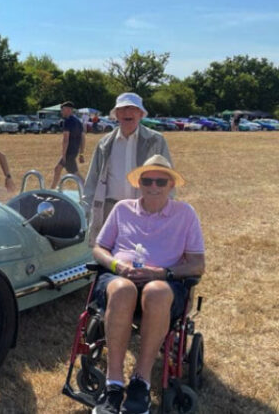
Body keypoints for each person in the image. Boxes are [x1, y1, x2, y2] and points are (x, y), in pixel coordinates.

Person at [91, 155, 205, 414]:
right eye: (147, 180)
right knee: (122, 289)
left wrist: (162, 273)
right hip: (119, 279)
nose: (153, 185)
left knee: (156, 292)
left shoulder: (185, 214)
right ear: (139, 183)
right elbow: (99, 248)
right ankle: (114, 384)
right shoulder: (122, 209)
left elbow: (197, 265)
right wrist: (116, 266)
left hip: (164, 285)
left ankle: (141, 382)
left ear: (171, 184)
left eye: (160, 181)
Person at [82, 92, 172, 246]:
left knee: (143, 253)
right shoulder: (105, 143)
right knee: (109, 253)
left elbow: (168, 177)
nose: (127, 113)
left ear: (141, 113)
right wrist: (86, 208)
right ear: (116, 114)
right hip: (111, 210)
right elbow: (93, 179)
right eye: (122, 109)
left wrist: (167, 208)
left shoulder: (156, 141)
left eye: (132, 108)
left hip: (145, 208)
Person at [50, 101, 86, 189]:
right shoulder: (78, 122)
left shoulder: (67, 121)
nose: (61, 112)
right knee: (57, 169)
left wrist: (63, 155)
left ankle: (88, 190)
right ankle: (52, 189)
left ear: (68, 110)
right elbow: (83, 139)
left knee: (75, 174)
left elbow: (65, 139)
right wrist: (81, 153)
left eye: (63, 110)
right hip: (74, 151)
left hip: (68, 152)